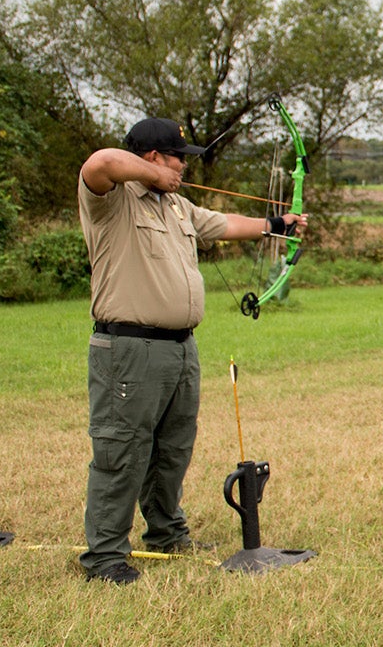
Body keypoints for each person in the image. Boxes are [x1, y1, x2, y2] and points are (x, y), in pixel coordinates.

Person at [76, 117, 305, 585]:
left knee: (173, 450)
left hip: (180, 349)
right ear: (154, 157)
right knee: (122, 450)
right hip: (128, 348)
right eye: (178, 157)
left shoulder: (177, 207)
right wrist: (148, 175)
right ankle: (105, 556)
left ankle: (166, 533)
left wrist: (277, 225)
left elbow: (223, 225)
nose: (184, 166)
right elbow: (100, 163)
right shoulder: (110, 201)